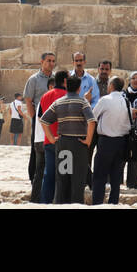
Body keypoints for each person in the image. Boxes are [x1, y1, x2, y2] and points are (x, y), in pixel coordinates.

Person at [42, 74, 96, 204]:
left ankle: (60, 204)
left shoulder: (58, 102)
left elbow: (44, 120)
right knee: (78, 180)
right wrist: (88, 140)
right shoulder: (83, 102)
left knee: (62, 179)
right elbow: (92, 121)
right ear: (79, 88)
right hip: (78, 144)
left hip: (62, 144)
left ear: (66, 86)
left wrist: (52, 138)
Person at [91, 77, 131, 204]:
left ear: (111, 86)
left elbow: (93, 116)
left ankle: (97, 203)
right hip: (122, 142)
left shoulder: (105, 100)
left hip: (106, 142)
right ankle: (113, 202)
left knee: (99, 175)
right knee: (116, 176)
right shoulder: (126, 101)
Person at [24, 52, 56, 201]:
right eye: (48, 60)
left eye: (53, 61)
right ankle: (33, 180)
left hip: (53, 122)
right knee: (35, 151)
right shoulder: (34, 80)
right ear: (41, 62)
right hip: (39, 121)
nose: (51, 63)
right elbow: (29, 100)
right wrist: (33, 118)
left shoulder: (56, 79)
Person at [37, 70, 69, 203]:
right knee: (64, 174)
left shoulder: (45, 96)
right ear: (65, 81)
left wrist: (49, 134)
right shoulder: (68, 96)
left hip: (49, 140)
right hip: (64, 141)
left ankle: (45, 203)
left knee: (48, 174)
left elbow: (40, 117)